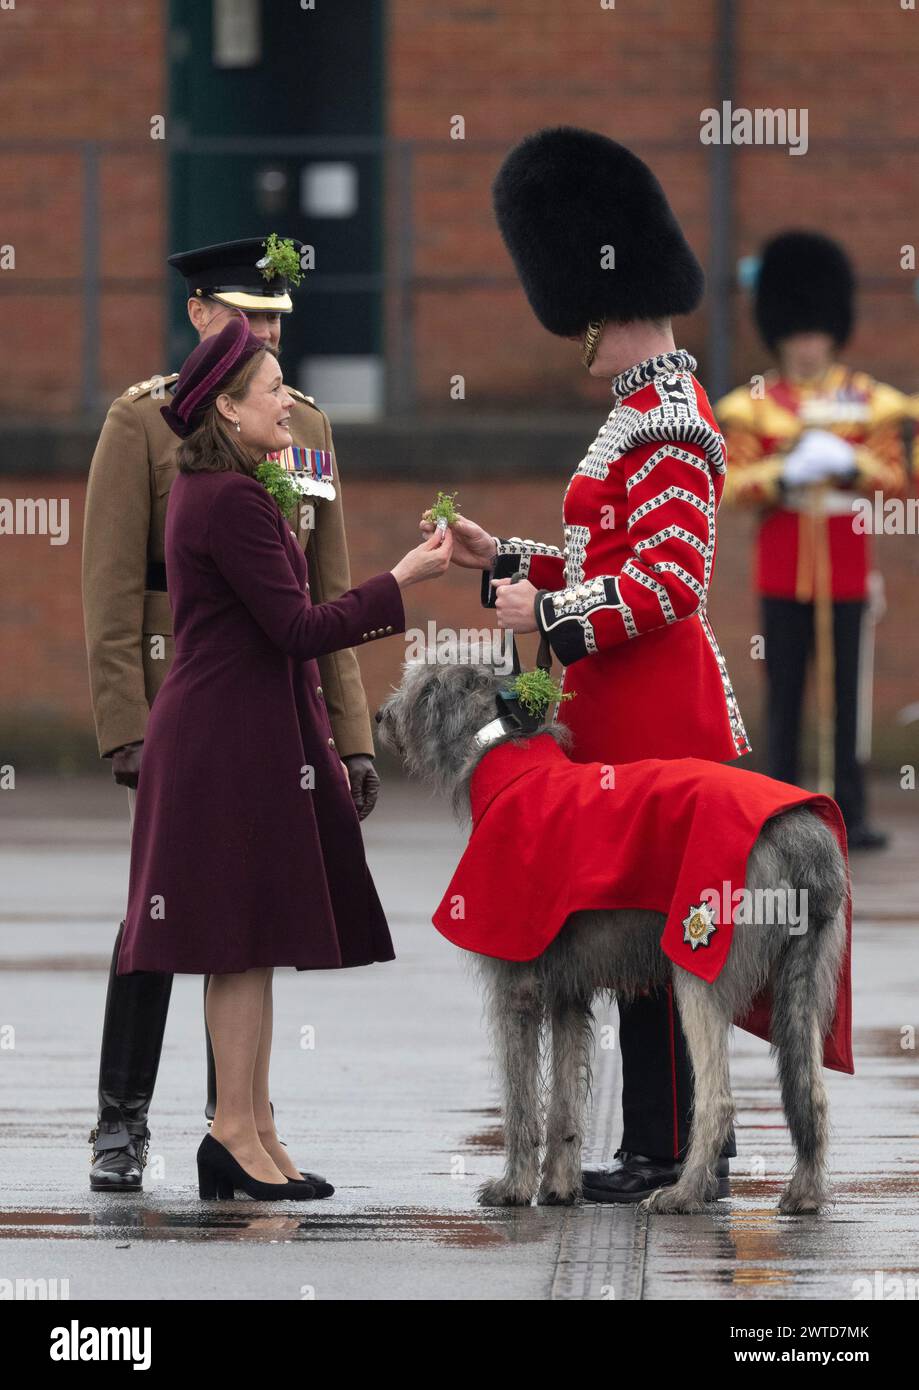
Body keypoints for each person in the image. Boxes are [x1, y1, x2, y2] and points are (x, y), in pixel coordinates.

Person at [422, 126, 748, 1202]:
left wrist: (546, 611)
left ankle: (669, 1145)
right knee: (632, 925)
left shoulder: (671, 426)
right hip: (616, 708)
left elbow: (667, 589)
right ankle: (657, 1139)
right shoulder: (637, 415)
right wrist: (505, 558)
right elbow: (610, 560)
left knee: (662, 931)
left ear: (616, 316)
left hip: (656, 715)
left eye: (586, 328)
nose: (579, 346)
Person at [114, 315, 450, 1199]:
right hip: (225, 742)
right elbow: (297, 627)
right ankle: (230, 1133)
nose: (289, 408)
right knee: (235, 943)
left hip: (247, 733)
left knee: (251, 942)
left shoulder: (232, 488)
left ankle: (256, 1127)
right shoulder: (227, 500)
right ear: (226, 407)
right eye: (271, 393)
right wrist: (402, 580)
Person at [81, 236, 387, 1190]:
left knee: (245, 921)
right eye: (248, 320)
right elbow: (110, 585)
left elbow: (321, 584)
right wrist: (124, 724)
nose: (263, 339)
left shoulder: (304, 427)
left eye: (276, 325)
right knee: (157, 921)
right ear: (202, 316)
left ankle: (239, 1127)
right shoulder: (143, 423)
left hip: (278, 707)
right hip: (190, 702)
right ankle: (122, 1121)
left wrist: (351, 733)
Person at [717, 231, 911, 850]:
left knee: (846, 697)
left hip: (848, 571)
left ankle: (849, 810)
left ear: (832, 331)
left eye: (815, 332)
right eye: (797, 333)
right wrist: (783, 474)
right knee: (784, 694)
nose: (806, 345)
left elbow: (900, 475)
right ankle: (777, 809)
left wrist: (849, 466)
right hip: (782, 571)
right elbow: (731, 485)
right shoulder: (754, 406)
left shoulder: (871, 403)